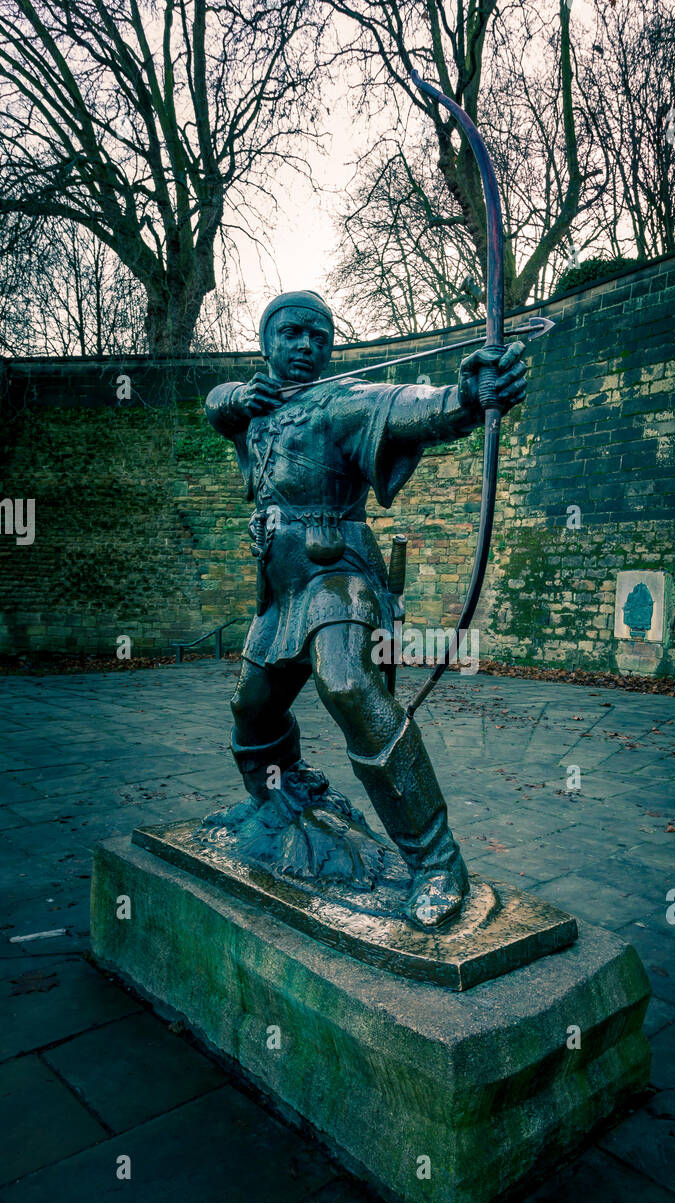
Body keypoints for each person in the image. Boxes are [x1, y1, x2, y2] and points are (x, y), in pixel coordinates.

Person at [205, 290, 526, 928]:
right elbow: (216, 405)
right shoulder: (256, 410)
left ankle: (437, 862)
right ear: (266, 343)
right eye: (291, 333)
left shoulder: (343, 402)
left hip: (337, 576)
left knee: (348, 684)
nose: (306, 346)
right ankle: (279, 795)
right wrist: (239, 398)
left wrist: (467, 399)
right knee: (251, 707)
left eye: (319, 337)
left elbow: (413, 408)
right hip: (280, 587)